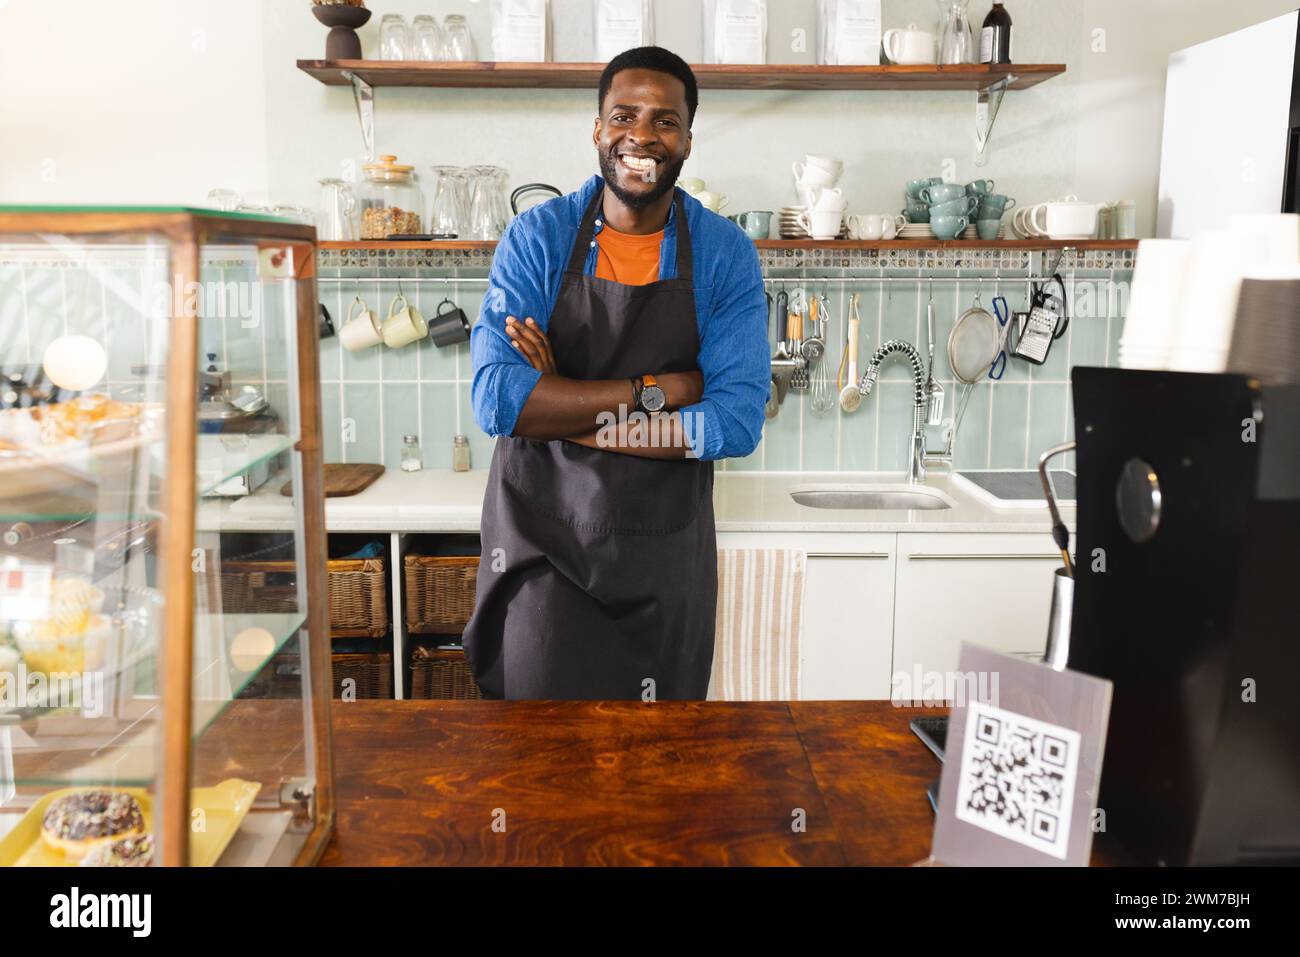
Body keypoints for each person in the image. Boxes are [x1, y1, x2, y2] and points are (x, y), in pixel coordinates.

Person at [463, 45, 770, 700]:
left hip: (662, 565)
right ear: (598, 129)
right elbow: (498, 400)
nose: (642, 136)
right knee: (539, 764)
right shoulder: (539, 238)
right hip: (540, 550)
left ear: (688, 138)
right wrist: (657, 390)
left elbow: (735, 421)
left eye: (665, 120)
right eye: (624, 116)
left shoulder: (722, 254)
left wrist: (569, 421)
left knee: (658, 779)